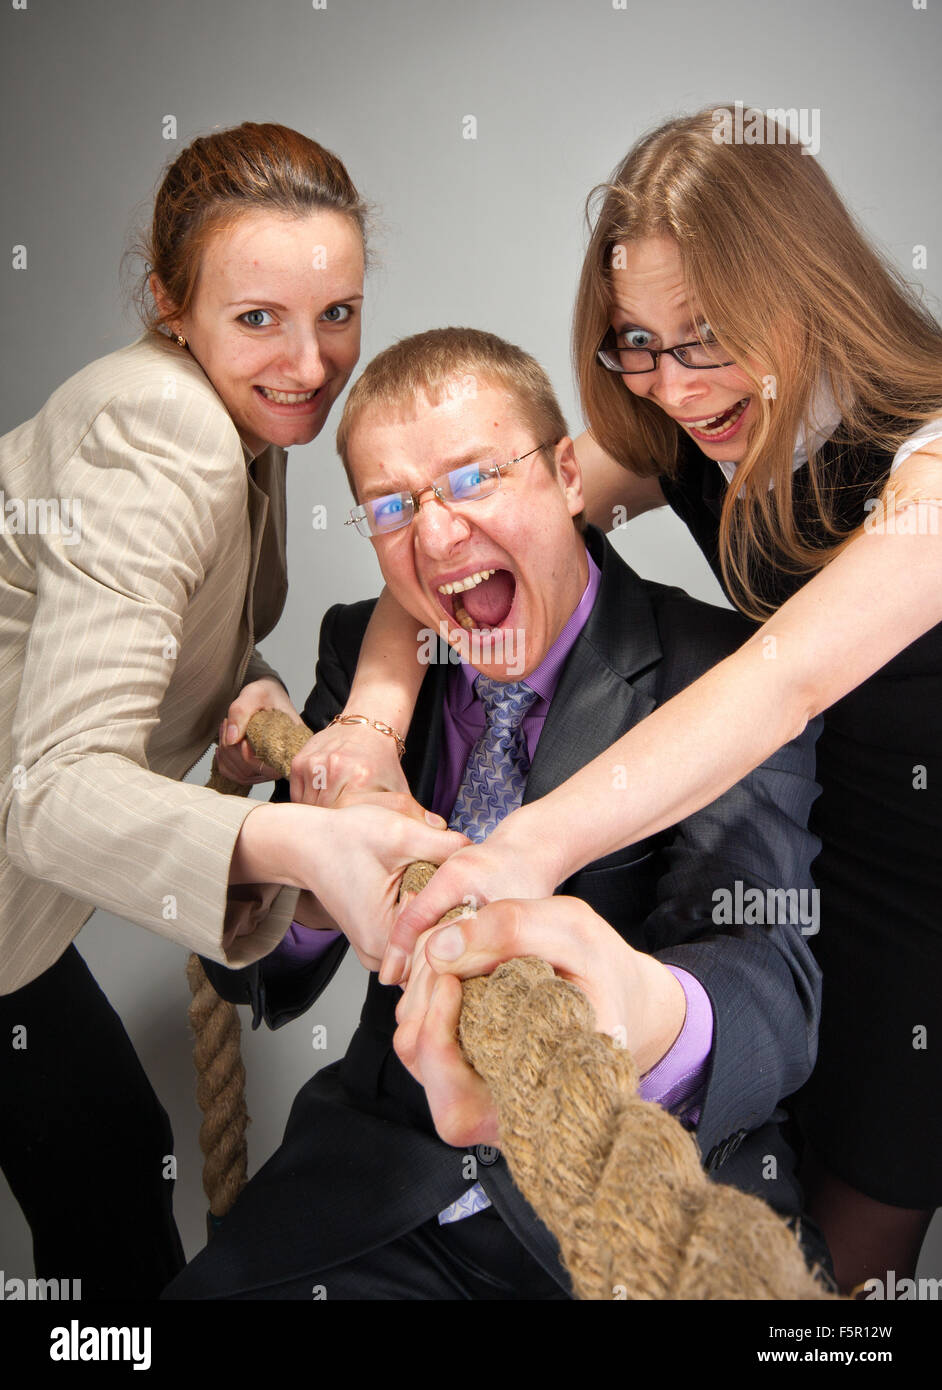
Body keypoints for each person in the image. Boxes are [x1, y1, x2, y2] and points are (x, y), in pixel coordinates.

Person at [348, 111, 942, 1294]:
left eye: (708, 335)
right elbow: (462, 539)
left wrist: (520, 846)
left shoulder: (929, 459)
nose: (676, 384)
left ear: (807, 287)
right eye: (638, 343)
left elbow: (787, 675)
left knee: (850, 1284)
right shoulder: (684, 430)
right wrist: (370, 721)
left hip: (925, 918)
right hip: (817, 893)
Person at [164, 327, 828, 1300]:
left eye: (473, 478)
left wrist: (636, 1023)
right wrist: (315, 892)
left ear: (567, 474)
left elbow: (773, 978)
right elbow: (263, 979)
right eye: (390, 506)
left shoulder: (719, 667)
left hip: (626, 1212)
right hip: (373, 1198)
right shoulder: (362, 654)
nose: (434, 537)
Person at [0, 123, 462, 1298]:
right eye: (260, 318)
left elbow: (138, 613)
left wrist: (238, 679)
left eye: (339, 314)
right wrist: (302, 841)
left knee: (105, 1159)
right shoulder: (168, 432)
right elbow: (51, 791)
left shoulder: (234, 419)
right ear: (170, 303)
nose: (312, 363)